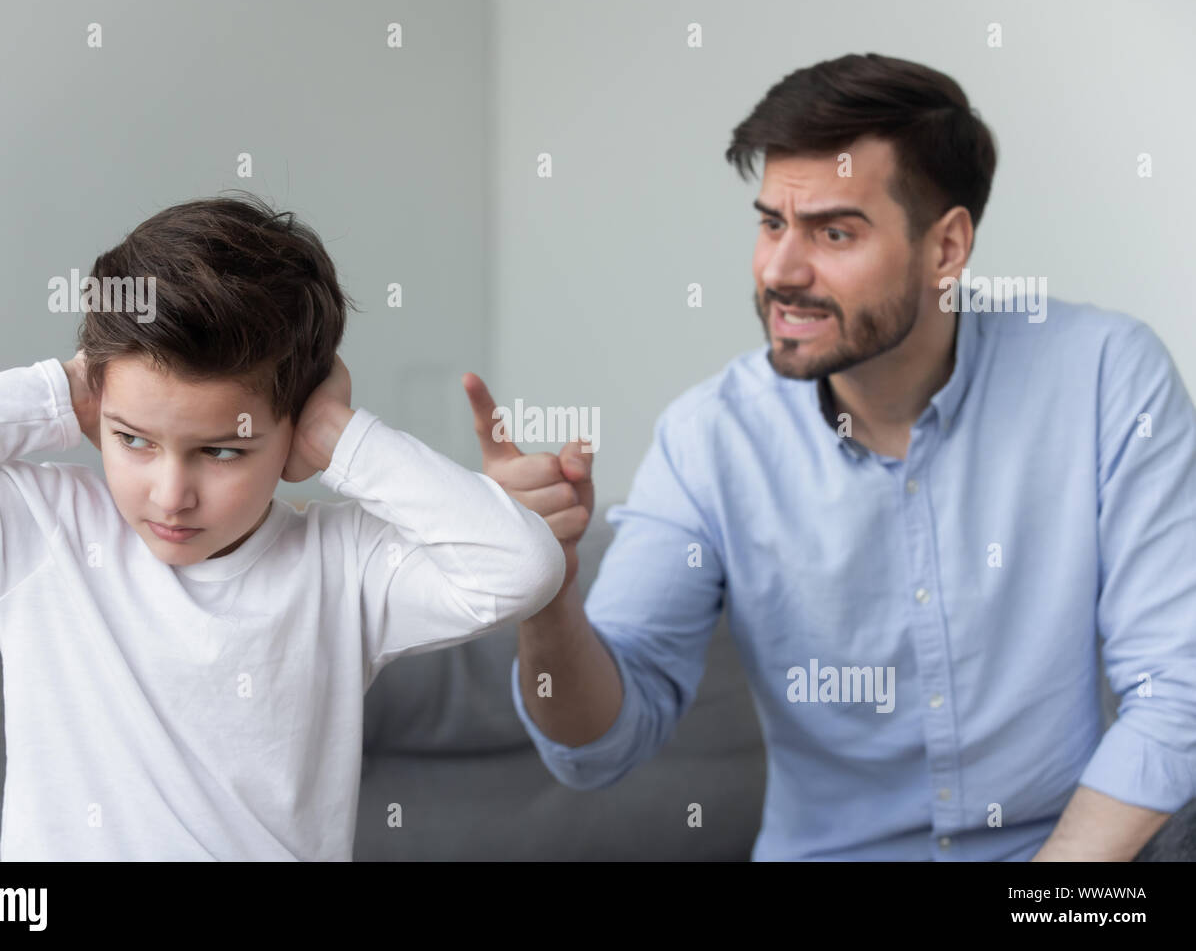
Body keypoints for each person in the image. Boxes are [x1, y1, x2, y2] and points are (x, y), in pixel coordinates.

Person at [464, 53, 1196, 861]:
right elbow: (601, 747)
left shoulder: (1104, 376)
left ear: (947, 246)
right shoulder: (712, 438)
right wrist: (550, 596)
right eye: (772, 222)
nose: (781, 269)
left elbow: (1177, 690)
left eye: (834, 232)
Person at [0, 192, 566, 860]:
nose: (171, 495)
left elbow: (521, 567)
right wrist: (66, 387)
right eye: (133, 440)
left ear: (294, 434)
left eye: (221, 451)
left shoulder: (342, 567)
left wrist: (337, 435)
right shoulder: (43, 535)